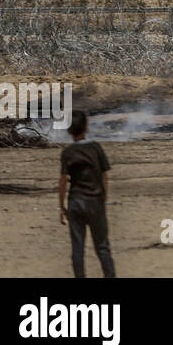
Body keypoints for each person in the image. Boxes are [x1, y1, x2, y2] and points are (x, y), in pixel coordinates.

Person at [58, 109, 115, 278]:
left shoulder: (67, 153)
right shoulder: (96, 148)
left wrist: (62, 207)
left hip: (75, 202)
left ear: (68, 131)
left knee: (77, 248)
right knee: (102, 247)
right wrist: (103, 198)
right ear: (86, 128)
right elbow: (105, 176)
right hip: (95, 201)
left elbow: (63, 181)